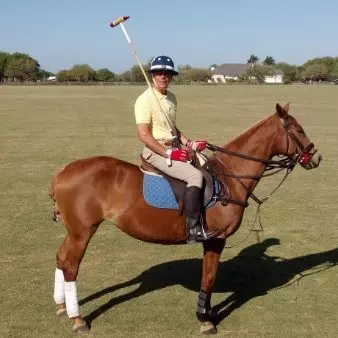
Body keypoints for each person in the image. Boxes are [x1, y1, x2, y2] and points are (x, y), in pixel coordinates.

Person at [134, 55, 209, 243]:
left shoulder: (172, 98)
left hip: (174, 146)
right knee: (195, 176)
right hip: (156, 151)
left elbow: (172, 128)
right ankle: (192, 229)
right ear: (152, 75)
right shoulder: (145, 100)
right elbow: (143, 134)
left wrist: (189, 143)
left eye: (167, 73)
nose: (163, 77)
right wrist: (168, 152)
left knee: (207, 163)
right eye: (159, 73)